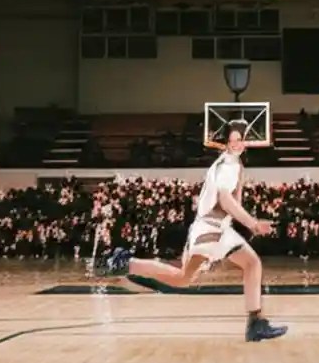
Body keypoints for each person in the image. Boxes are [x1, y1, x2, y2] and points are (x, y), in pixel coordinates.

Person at [98, 120, 287, 342]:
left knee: (249, 264)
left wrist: (245, 220)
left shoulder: (230, 163)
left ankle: (255, 323)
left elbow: (231, 203)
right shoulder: (229, 166)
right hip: (211, 229)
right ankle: (127, 262)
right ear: (226, 142)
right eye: (233, 140)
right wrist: (253, 223)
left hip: (217, 228)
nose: (236, 143)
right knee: (183, 278)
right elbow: (225, 200)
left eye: (240, 139)